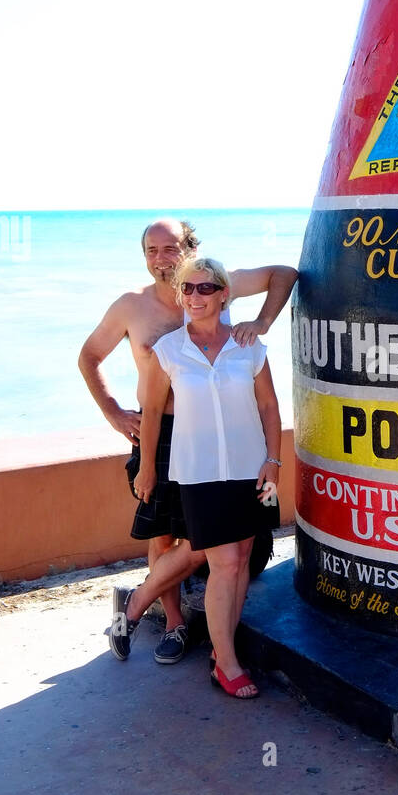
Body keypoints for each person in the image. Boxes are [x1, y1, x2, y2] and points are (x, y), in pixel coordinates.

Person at [79, 216, 296, 663]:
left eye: (171, 248)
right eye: (152, 251)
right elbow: (89, 357)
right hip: (161, 433)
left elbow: (285, 275)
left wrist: (262, 322)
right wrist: (114, 412)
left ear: (191, 249)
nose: (162, 259)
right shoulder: (130, 305)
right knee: (162, 537)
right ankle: (174, 624)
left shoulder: (217, 281)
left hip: (224, 433)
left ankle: (139, 602)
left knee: (209, 542)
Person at [127, 256, 282, 698]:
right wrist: (147, 468)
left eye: (206, 288)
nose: (195, 296)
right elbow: (153, 412)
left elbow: (269, 407)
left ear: (223, 295)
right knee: (225, 563)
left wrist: (274, 461)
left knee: (245, 554)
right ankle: (227, 664)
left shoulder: (248, 344)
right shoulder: (169, 351)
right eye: (188, 289)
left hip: (254, 468)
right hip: (198, 473)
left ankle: (221, 650)